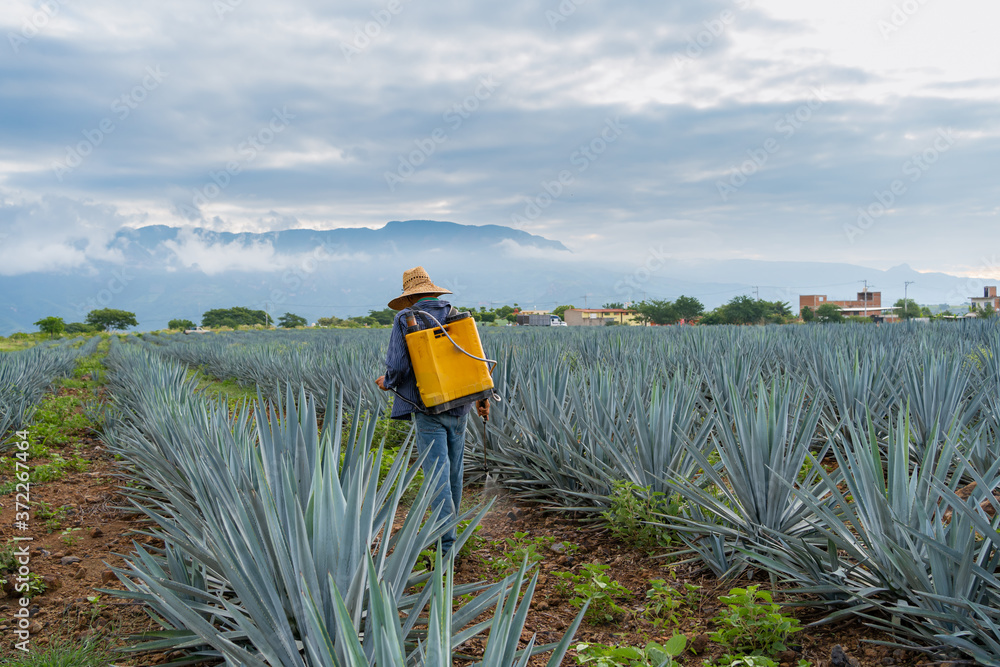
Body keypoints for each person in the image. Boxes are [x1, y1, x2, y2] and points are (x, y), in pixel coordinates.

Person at [375, 266, 489, 555]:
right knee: (454, 472)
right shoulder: (455, 313)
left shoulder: (406, 317)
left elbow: (399, 366)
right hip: (461, 403)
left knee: (437, 473)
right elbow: (474, 357)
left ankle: (446, 544)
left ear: (411, 295)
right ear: (433, 290)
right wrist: (483, 397)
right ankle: (452, 533)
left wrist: (386, 382)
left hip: (427, 407)